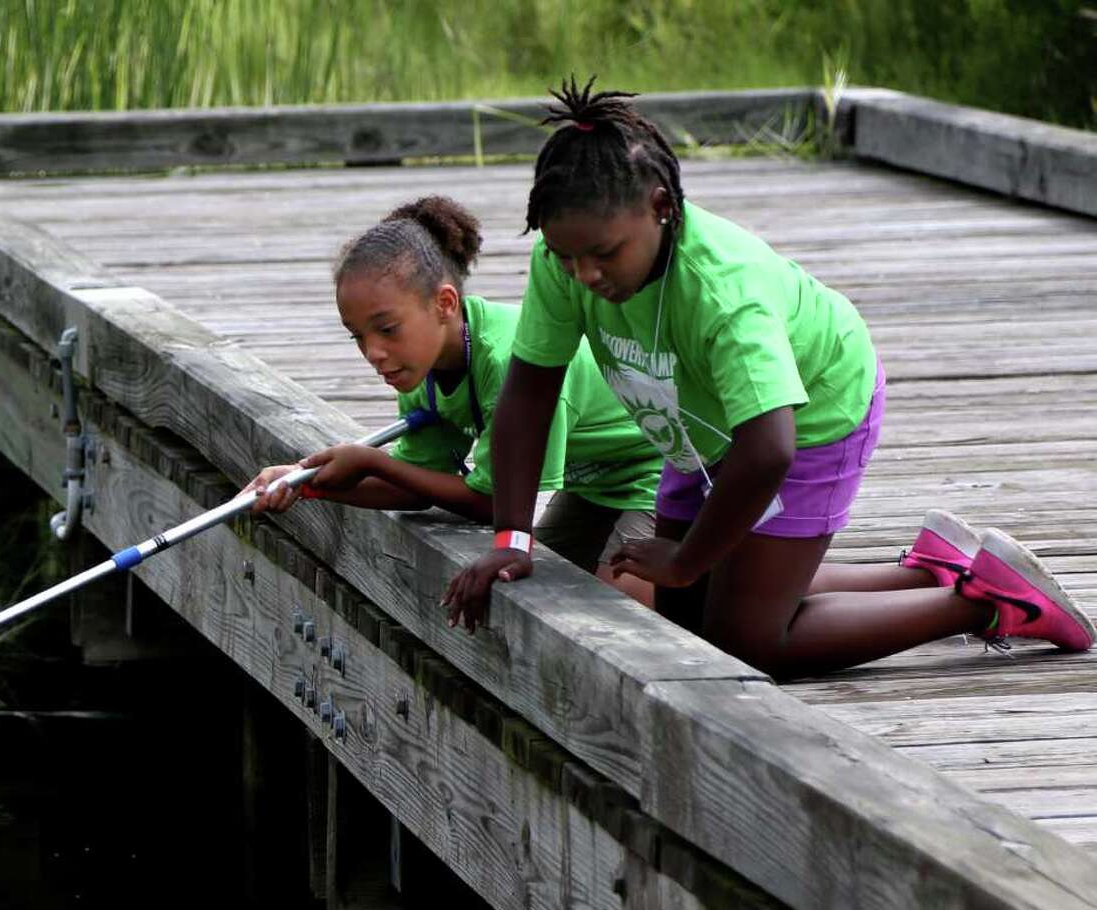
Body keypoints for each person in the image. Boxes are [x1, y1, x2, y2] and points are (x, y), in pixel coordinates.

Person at [442, 79, 1090, 672]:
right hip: (703, 424)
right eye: (566, 257)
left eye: (604, 254)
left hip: (812, 410)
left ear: (661, 207)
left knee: (747, 642)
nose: (585, 275)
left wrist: (688, 556)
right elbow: (529, 394)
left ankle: (989, 602)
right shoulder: (568, 260)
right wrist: (513, 538)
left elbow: (770, 448)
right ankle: (928, 574)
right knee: (686, 621)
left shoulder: (721, 290)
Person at [244, 195, 660, 577]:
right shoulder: (418, 368)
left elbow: (496, 503)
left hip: (655, 467)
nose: (373, 353)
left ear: (445, 303)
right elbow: (416, 486)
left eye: (387, 329)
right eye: (357, 336)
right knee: (537, 589)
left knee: (619, 601)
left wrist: (372, 462)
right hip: (592, 484)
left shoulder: (506, 361)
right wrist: (304, 483)